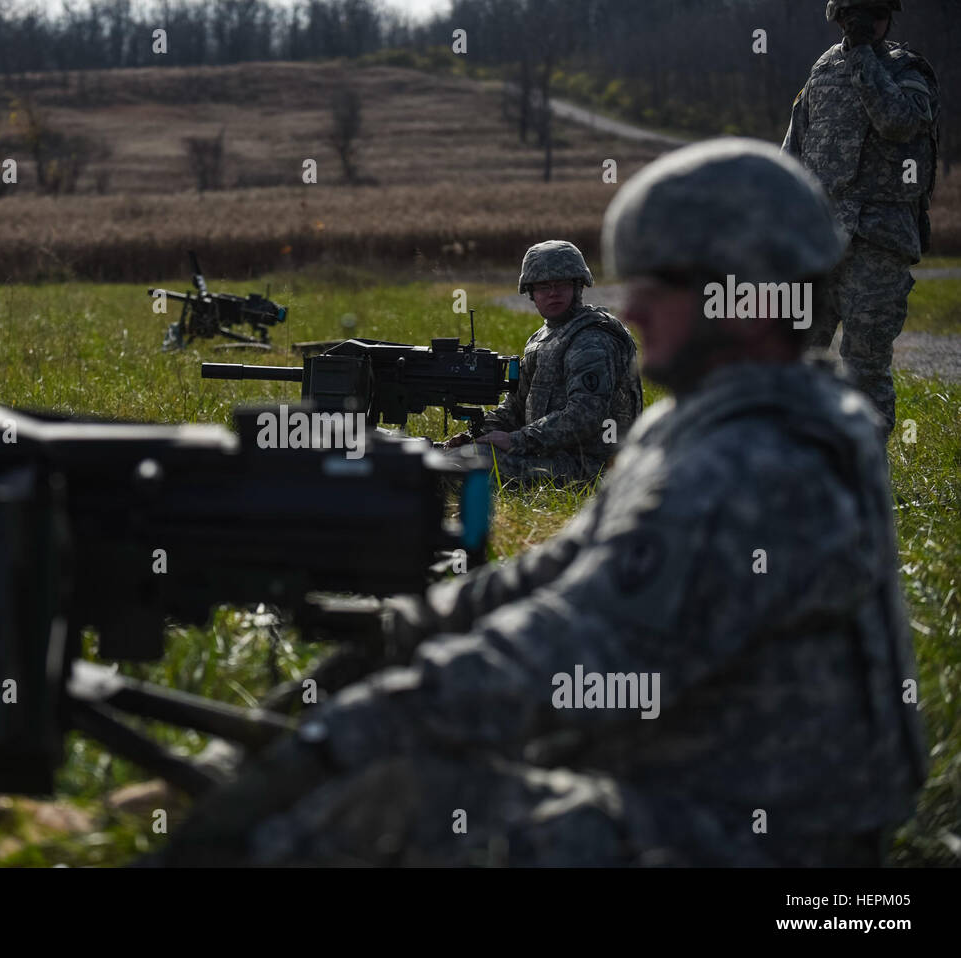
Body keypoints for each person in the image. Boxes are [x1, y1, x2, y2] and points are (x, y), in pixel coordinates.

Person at [159, 138, 926, 867]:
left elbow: (558, 650)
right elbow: (555, 569)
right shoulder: (729, 419)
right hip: (705, 784)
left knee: (381, 795)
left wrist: (338, 737)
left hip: (759, 838)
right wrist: (402, 629)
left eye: (658, 288)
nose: (634, 311)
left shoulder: (754, 464)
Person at [782, 0, 940, 436]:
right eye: (854, 14)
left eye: (875, 13)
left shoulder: (908, 71)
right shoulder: (823, 68)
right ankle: (795, 466)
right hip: (817, 240)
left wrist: (865, 57)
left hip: (878, 241)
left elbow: (898, 122)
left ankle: (866, 478)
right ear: (837, 17)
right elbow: (795, 145)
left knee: (865, 366)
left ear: (889, 18)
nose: (863, 23)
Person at [444, 240, 642, 486]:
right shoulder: (542, 338)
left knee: (463, 466)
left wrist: (518, 441)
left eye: (561, 283)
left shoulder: (592, 340)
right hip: (551, 454)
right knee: (444, 457)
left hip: (593, 467)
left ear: (578, 285)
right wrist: (474, 435)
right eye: (543, 286)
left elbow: (585, 414)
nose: (553, 292)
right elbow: (515, 408)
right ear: (531, 292)